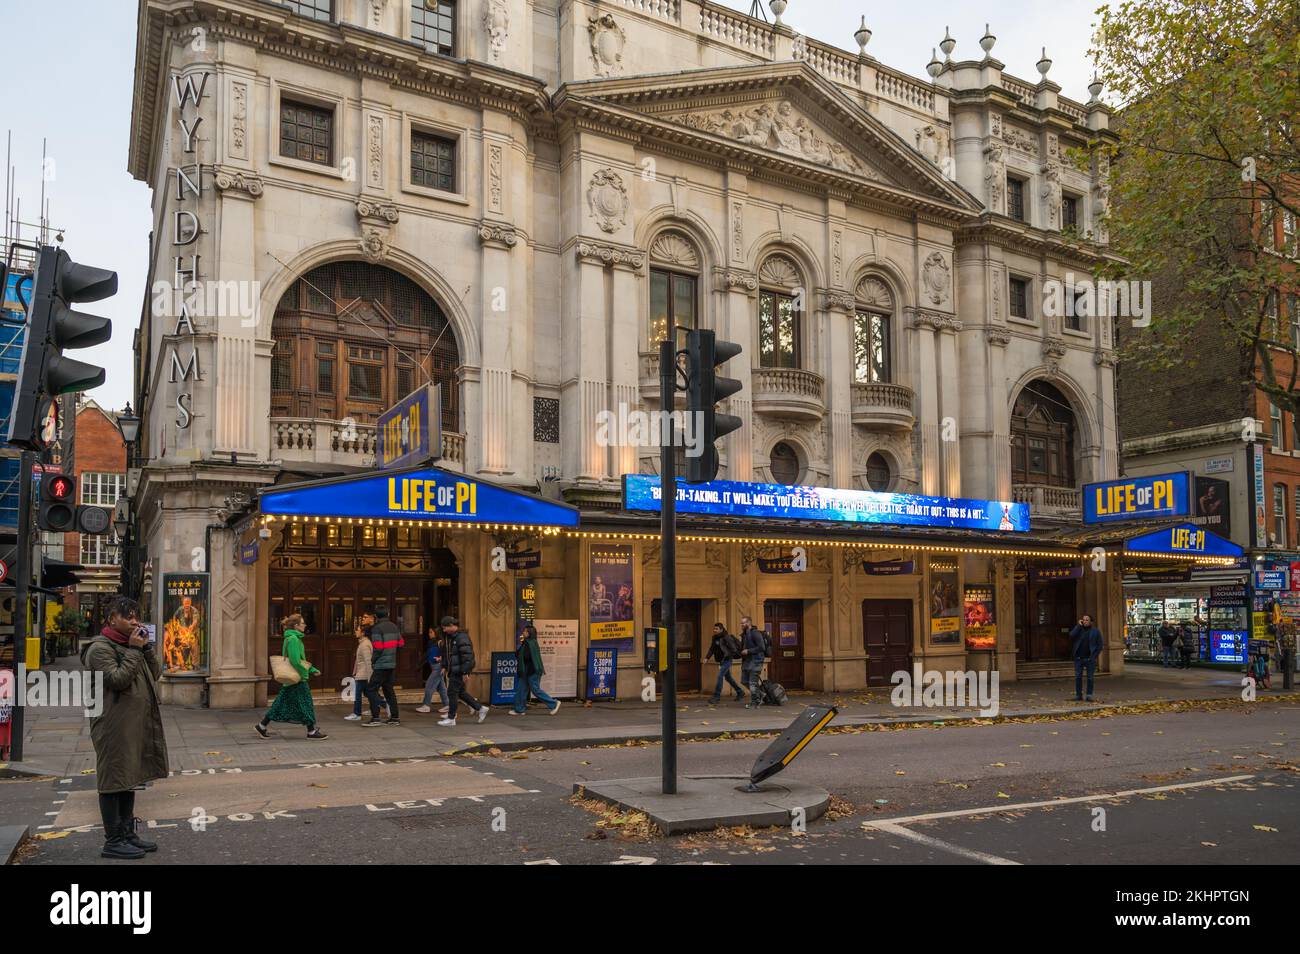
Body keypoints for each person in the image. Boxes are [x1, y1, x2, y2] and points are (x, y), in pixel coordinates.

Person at [80, 596, 170, 860]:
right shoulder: (100, 649)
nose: (134, 621)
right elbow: (118, 680)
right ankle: (113, 840)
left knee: (128, 778)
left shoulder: (131, 645)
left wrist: (146, 648)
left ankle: (128, 833)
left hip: (132, 723)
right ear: (111, 620)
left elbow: (155, 673)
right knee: (112, 780)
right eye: (127, 616)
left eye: (135, 616)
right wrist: (133, 649)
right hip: (112, 725)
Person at [256, 613, 327, 740]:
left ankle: (262, 725)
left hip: (292, 678)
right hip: (297, 677)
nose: (305, 625)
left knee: (281, 703)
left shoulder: (291, 637)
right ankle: (311, 732)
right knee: (306, 703)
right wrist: (311, 669)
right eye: (303, 623)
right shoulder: (294, 639)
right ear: (296, 626)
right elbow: (295, 661)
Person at [438, 616, 489, 726]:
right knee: (460, 692)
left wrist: (466, 672)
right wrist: (445, 666)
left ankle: (451, 718)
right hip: (456, 669)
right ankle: (480, 708)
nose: (444, 630)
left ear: (452, 625)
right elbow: (447, 654)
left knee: (451, 692)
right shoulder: (451, 637)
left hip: (459, 670)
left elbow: (467, 656)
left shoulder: (461, 638)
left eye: (445, 627)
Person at [364, 606, 403, 726]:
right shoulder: (394, 626)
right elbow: (401, 643)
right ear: (388, 613)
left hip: (381, 664)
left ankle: (375, 718)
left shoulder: (377, 628)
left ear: (376, 616)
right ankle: (395, 717)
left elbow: (378, 647)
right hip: (391, 663)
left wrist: (373, 660)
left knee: (370, 689)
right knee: (388, 690)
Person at [510, 624, 561, 716]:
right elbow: (518, 654)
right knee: (522, 689)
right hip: (526, 670)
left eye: (525, 631)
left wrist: (522, 647)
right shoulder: (527, 642)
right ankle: (519, 709)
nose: (523, 632)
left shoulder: (531, 643)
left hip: (532, 671)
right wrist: (522, 645)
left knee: (535, 690)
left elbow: (525, 656)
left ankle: (554, 703)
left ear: (529, 633)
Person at [705, 622, 745, 704]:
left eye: (716, 629)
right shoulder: (715, 638)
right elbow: (712, 648)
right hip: (721, 661)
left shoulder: (726, 637)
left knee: (720, 676)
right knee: (728, 678)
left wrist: (727, 657)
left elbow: (733, 649)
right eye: (714, 628)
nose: (714, 630)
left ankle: (716, 697)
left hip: (727, 660)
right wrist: (707, 657)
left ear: (721, 629)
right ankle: (740, 691)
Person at [1069, 613, 1104, 702]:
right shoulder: (1079, 630)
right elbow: (1071, 635)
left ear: (1091, 622)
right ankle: (1078, 695)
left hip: (1089, 659)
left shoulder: (1096, 631)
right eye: (1083, 620)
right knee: (1078, 677)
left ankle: (1089, 695)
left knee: (1090, 678)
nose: (1084, 621)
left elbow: (1100, 645)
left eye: (1087, 620)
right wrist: (1078, 626)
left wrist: (1094, 656)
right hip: (1078, 658)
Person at [416, 626, 450, 716]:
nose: (429, 634)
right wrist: (420, 664)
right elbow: (428, 655)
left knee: (429, 685)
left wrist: (441, 659)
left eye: (431, 632)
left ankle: (426, 705)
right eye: (429, 632)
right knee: (441, 687)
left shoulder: (440, 642)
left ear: (436, 633)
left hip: (438, 667)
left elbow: (446, 654)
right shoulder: (431, 643)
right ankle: (447, 704)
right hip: (434, 666)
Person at [344, 621, 375, 722]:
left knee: (357, 694)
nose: (355, 632)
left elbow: (368, 661)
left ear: (363, 633)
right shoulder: (363, 643)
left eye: (357, 630)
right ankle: (384, 703)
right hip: (362, 673)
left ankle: (357, 713)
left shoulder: (365, 645)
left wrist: (370, 677)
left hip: (363, 674)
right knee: (368, 694)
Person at [738, 615, 768, 709]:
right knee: (744, 681)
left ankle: (755, 703)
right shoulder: (745, 634)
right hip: (747, 661)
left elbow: (762, 647)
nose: (741, 625)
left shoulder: (755, 633)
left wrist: (748, 651)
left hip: (756, 661)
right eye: (741, 623)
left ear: (748, 623)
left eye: (743, 623)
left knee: (752, 683)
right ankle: (761, 694)